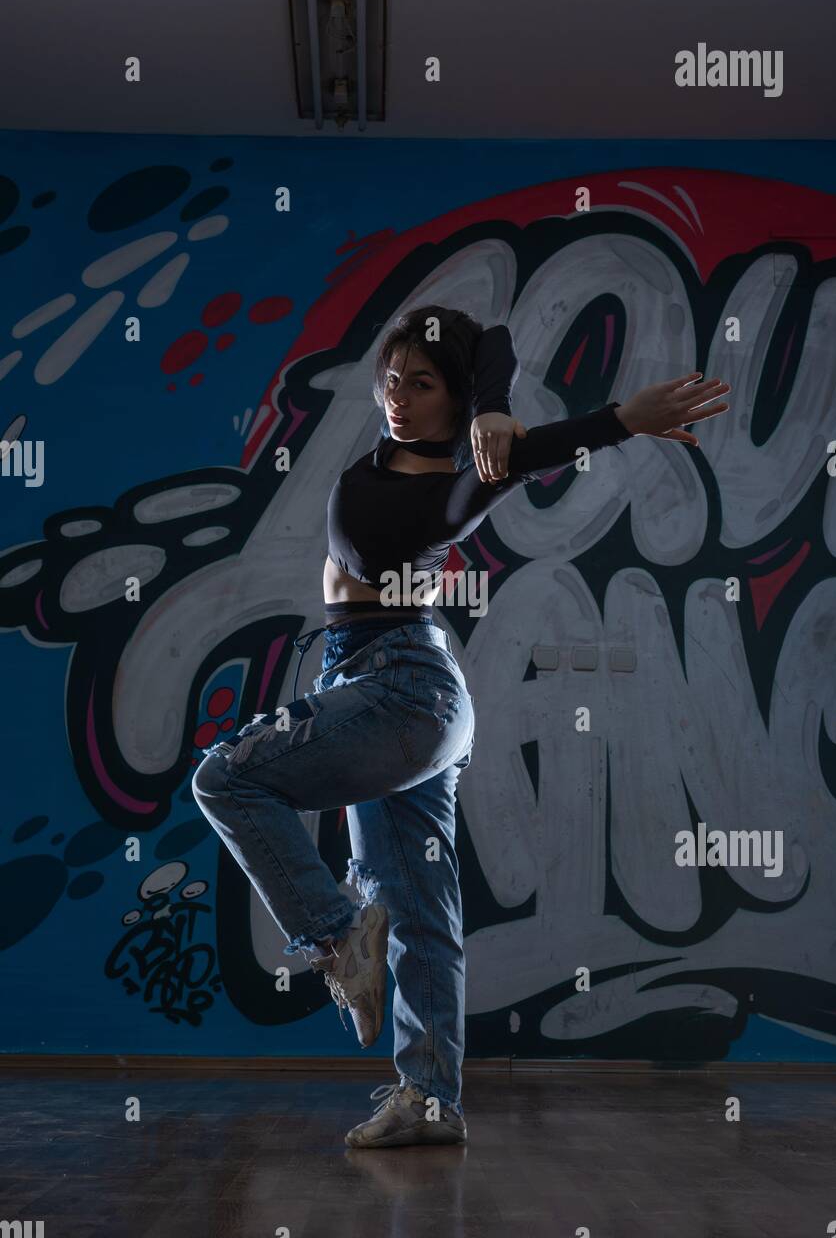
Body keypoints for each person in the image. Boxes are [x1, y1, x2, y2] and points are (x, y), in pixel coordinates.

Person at [192, 306, 729, 1148]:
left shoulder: (457, 485)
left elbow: (521, 451)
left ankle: (336, 939)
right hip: (402, 690)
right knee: (418, 909)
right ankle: (430, 1101)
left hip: (398, 686)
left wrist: (616, 420)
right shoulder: (409, 449)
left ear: (451, 401)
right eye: (393, 381)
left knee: (225, 776)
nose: (400, 399)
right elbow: (492, 334)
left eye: (424, 385)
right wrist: (488, 396)